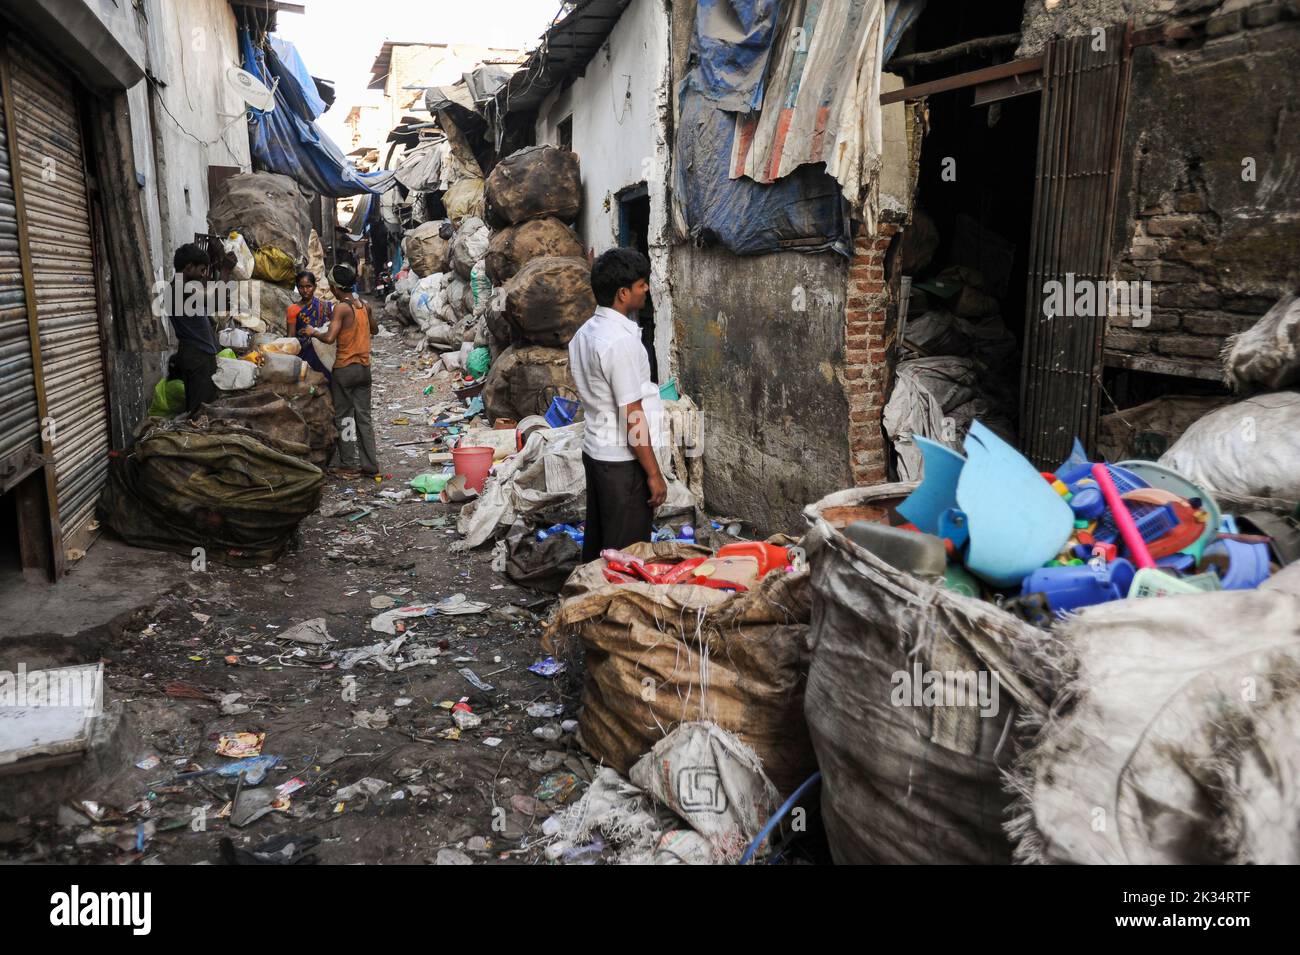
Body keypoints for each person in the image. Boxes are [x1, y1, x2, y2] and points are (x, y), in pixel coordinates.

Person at [568, 248, 666, 563]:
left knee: (601, 545)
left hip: (597, 453)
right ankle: (614, 604)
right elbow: (632, 414)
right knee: (627, 557)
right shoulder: (618, 341)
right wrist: (653, 473)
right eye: (642, 284)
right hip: (622, 463)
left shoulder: (586, 333)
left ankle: (590, 601)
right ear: (623, 294)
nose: (646, 288)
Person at [301, 263, 378, 477]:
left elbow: (329, 337)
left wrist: (313, 331)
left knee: (344, 417)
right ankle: (370, 464)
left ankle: (350, 463)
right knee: (364, 417)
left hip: (344, 369)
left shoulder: (341, 308)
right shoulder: (364, 305)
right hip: (364, 369)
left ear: (335, 287)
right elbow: (375, 329)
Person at [168, 243, 219, 418]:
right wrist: (226, 271)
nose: (203, 275)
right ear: (189, 267)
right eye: (202, 270)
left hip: (196, 354)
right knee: (201, 411)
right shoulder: (180, 289)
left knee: (200, 406)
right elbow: (216, 300)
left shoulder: (179, 288)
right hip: (198, 356)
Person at [287, 270, 334, 381]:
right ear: (297, 287)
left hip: (324, 353)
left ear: (315, 286)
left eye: (309, 286)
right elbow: (291, 337)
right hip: (304, 355)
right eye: (301, 287)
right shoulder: (292, 310)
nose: (305, 290)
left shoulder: (325, 307)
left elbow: (331, 330)